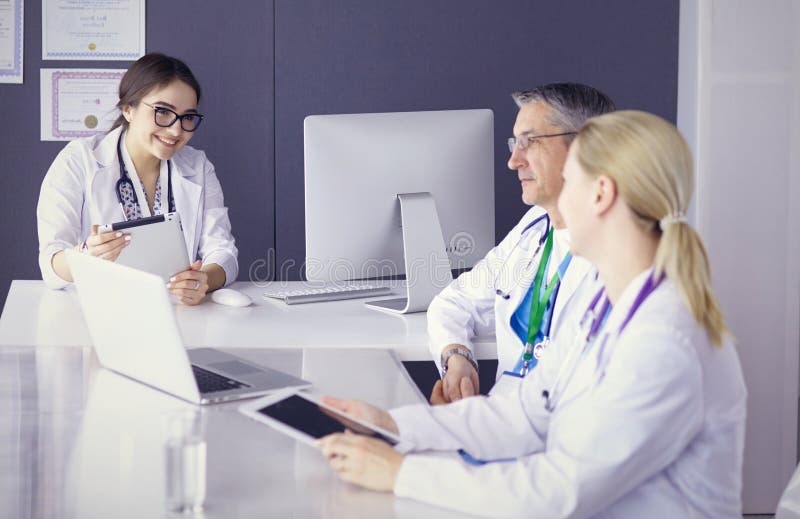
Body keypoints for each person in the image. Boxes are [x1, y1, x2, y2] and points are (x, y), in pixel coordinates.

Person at [318, 111, 747, 517]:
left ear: (601, 194)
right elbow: (524, 414)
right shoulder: (601, 307)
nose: (556, 199)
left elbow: (559, 493)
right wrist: (392, 425)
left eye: (569, 180)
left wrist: (401, 474)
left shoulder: (663, 344)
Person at [428, 83, 614, 402]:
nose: (514, 161)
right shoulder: (535, 226)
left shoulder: (622, 256)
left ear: (585, 147)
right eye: (515, 143)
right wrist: (457, 358)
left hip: (549, 425)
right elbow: (453, 302)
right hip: (502, 418)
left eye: (529, 142)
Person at [37, 53, 238, 305]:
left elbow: (224, 253)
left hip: (176, 312)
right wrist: (85, 255)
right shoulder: (78, 160)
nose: (176, 130)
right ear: (128, 109)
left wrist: (202, 280)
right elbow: (50, 263)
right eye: (163, 112)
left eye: (187, 117)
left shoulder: (198, 166)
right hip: (98, 311)